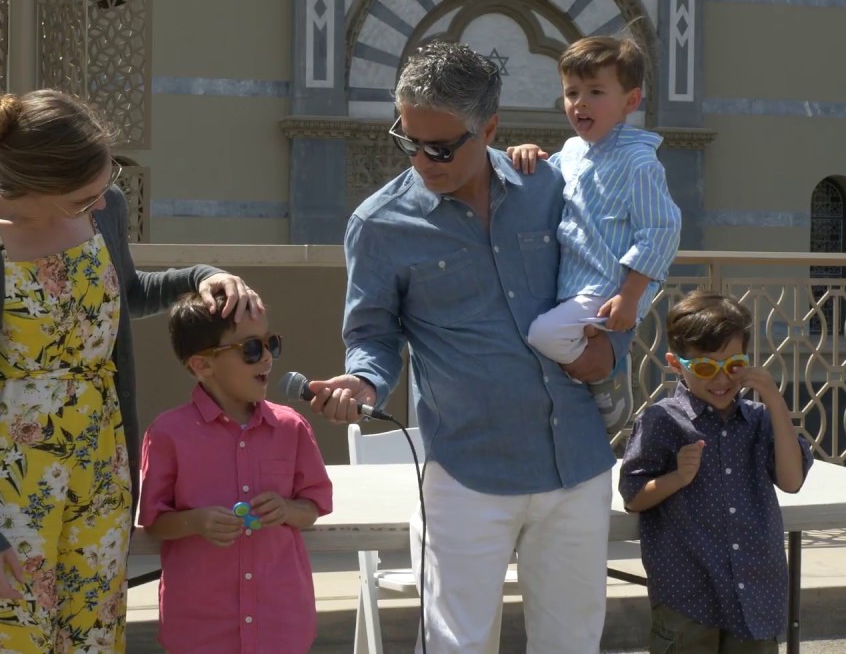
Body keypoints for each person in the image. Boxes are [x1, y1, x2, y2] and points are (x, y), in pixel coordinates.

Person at [309, 41, 632, 654]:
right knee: (457, 646)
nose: (422, 159)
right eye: (407, 141)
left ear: (490, 127)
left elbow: (619, 280)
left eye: (440, 146)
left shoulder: (556, 187)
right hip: (466, 476)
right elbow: (372, 335)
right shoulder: (377, 225)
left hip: (577, 465)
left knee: (572, 645)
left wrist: (613, 351)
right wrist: (365, 381)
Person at [0, 89, 264, 652]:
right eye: (84, 198)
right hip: (7, 491)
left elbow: (126, 293)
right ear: (38, 184)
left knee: (93, 642)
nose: (100, 205)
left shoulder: (108, 209)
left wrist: (201, 275)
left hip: (102, 473)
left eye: (105, 188)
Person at [618, 290, 813, 653]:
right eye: (706, 367)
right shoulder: (662, 420)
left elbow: (792, 481)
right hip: (687, 592)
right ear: (677, 364)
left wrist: (774, 401)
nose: (721, 379)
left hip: (754, 591)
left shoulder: (758, 420)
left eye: (733, 365)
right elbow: (633, 497)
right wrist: (676, 478)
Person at [138, 292, 333, 654]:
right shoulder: (168, 433)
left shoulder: (291, 427)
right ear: (202, 365)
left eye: (270, 343)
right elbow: (154, 521)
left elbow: (314, 506)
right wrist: (196, 522)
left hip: (280, 620)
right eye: (251, 349)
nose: (268, 357)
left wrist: (287, 510)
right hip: (200, 627)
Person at [508, 35, 682, 436]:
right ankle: (586, 375)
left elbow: (662, 230)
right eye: (572, 92)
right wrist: (529, 153)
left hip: (609, 290)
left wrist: (630, 296)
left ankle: (607, 378)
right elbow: (552, 184)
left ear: (630, 100)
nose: (579, 103)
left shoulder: (638, 162)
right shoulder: (572, 150)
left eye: (595, 92)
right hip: (574, 282)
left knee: (541, 334)